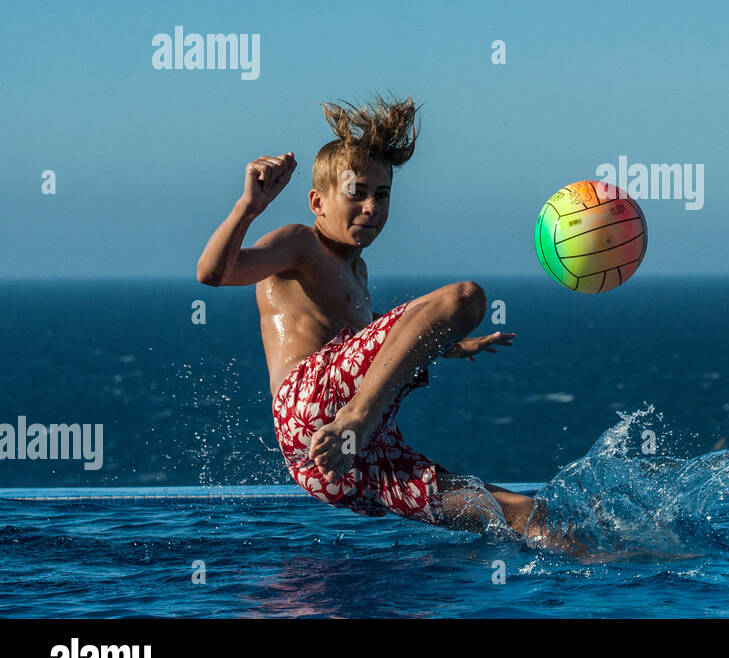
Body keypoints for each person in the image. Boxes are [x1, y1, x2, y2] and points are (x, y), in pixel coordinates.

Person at [196, 92, 584, 552]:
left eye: (381, 195)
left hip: (332, 464)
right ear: (317, 202)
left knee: (514, 512)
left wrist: (454, 346)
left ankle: (611, 569)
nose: (371, 208)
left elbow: (370, 333)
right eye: (355, 194)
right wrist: (249, 207)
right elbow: (214, 274)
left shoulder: (356, 271)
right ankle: (358, 417)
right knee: (466, 297)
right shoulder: (300, 244)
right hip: (319, 411)